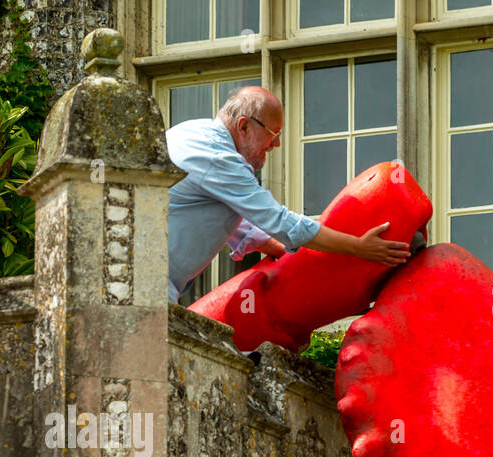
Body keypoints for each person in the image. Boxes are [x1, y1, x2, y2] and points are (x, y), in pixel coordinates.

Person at [166, 86, 410, 302]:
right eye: (273, 134)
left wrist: (298, 255)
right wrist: (358, 247)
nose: (276, 145)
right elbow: (279, 221)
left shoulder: (192, 133)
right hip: (150, 283)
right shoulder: (219, 158)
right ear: (244, 126)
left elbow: (245, 229)